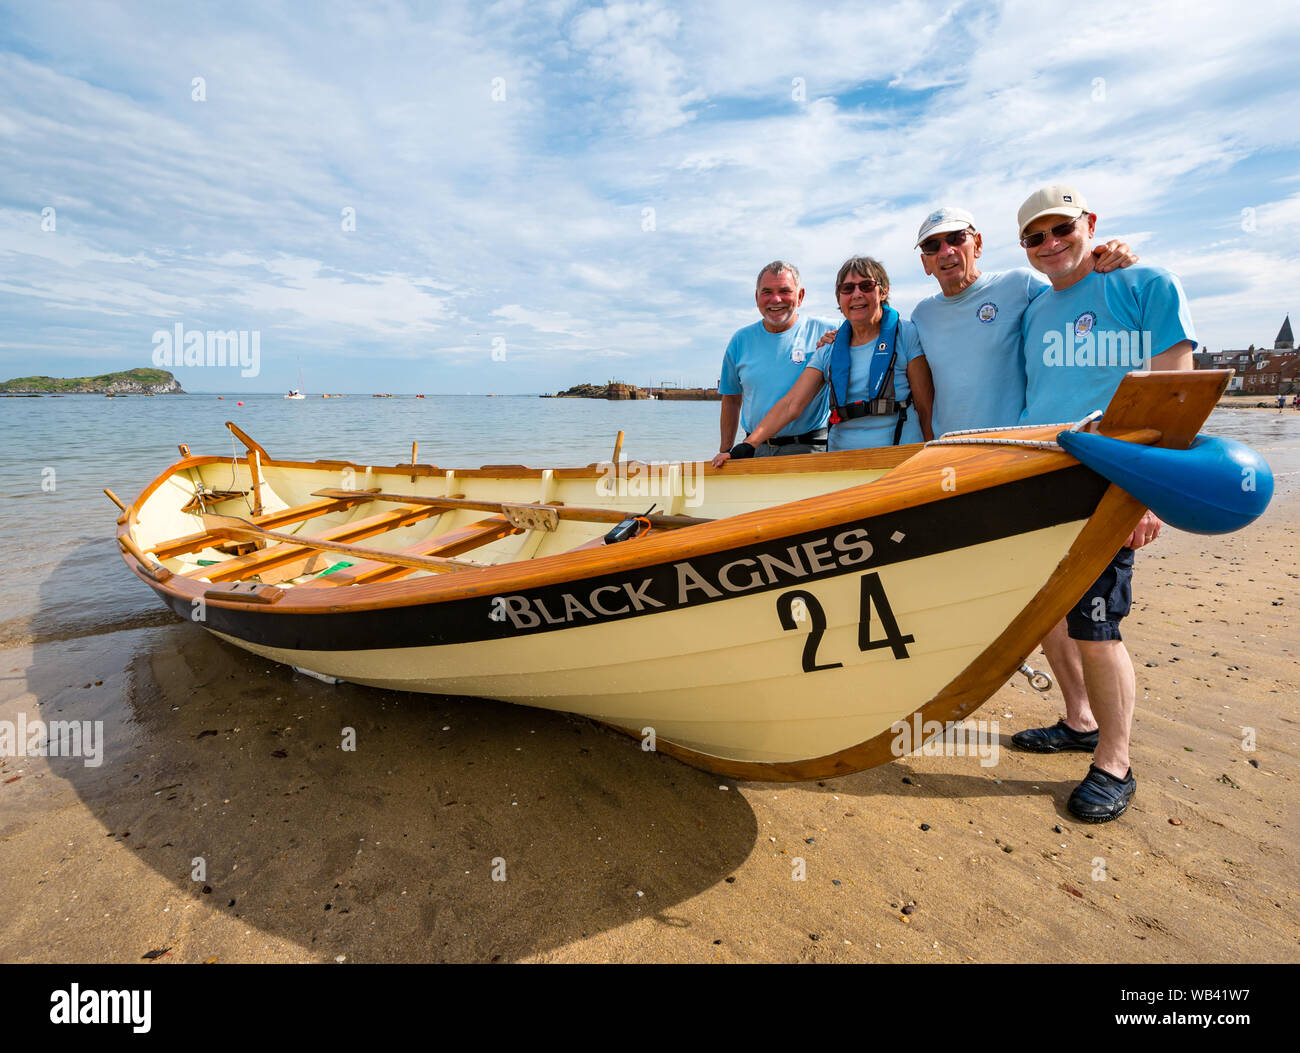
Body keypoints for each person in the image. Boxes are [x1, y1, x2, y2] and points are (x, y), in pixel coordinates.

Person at [1011, 184, 1195, 823]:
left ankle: (1114, 762)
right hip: (1042, 477)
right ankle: (1080, 721)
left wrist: (1150, 490)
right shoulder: (1035, 309)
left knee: (1096, 624)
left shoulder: (1145, 284)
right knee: (1044, 615)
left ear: (1089, 223)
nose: (1050, 244)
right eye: (1035, 237)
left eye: (1062, 229)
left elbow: (1176, 395)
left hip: (1113, 482)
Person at [909, 206, 1138, 436]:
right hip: (947, 450)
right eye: (932, 246)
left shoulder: (1019, 285)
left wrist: (1109, 254)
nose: (946, 251)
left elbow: (1076, 294)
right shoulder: (921, 315)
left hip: (1014, 448)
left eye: (956, 238)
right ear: (925, 263)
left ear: (977, 244)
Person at [712, 256, 933, 466]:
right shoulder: (829, 347)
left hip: (898, 455)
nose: (856, 294)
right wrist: (747, 445)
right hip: (841, 460)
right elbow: (791, 404)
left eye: (866, 286)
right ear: (839, 298)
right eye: (847, 289)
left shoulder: (905, 334)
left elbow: (925, 405)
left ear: (883, 291)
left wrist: (932, 454)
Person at [717, 262, 839, 458]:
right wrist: (725, 451)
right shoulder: (740, 340)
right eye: (766, 292)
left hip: (809, 449)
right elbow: (731, 399)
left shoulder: (830, 331)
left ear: (800, 296)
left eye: (785, 291)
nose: (775, 299)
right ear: (757, 297)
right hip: (753, 449)